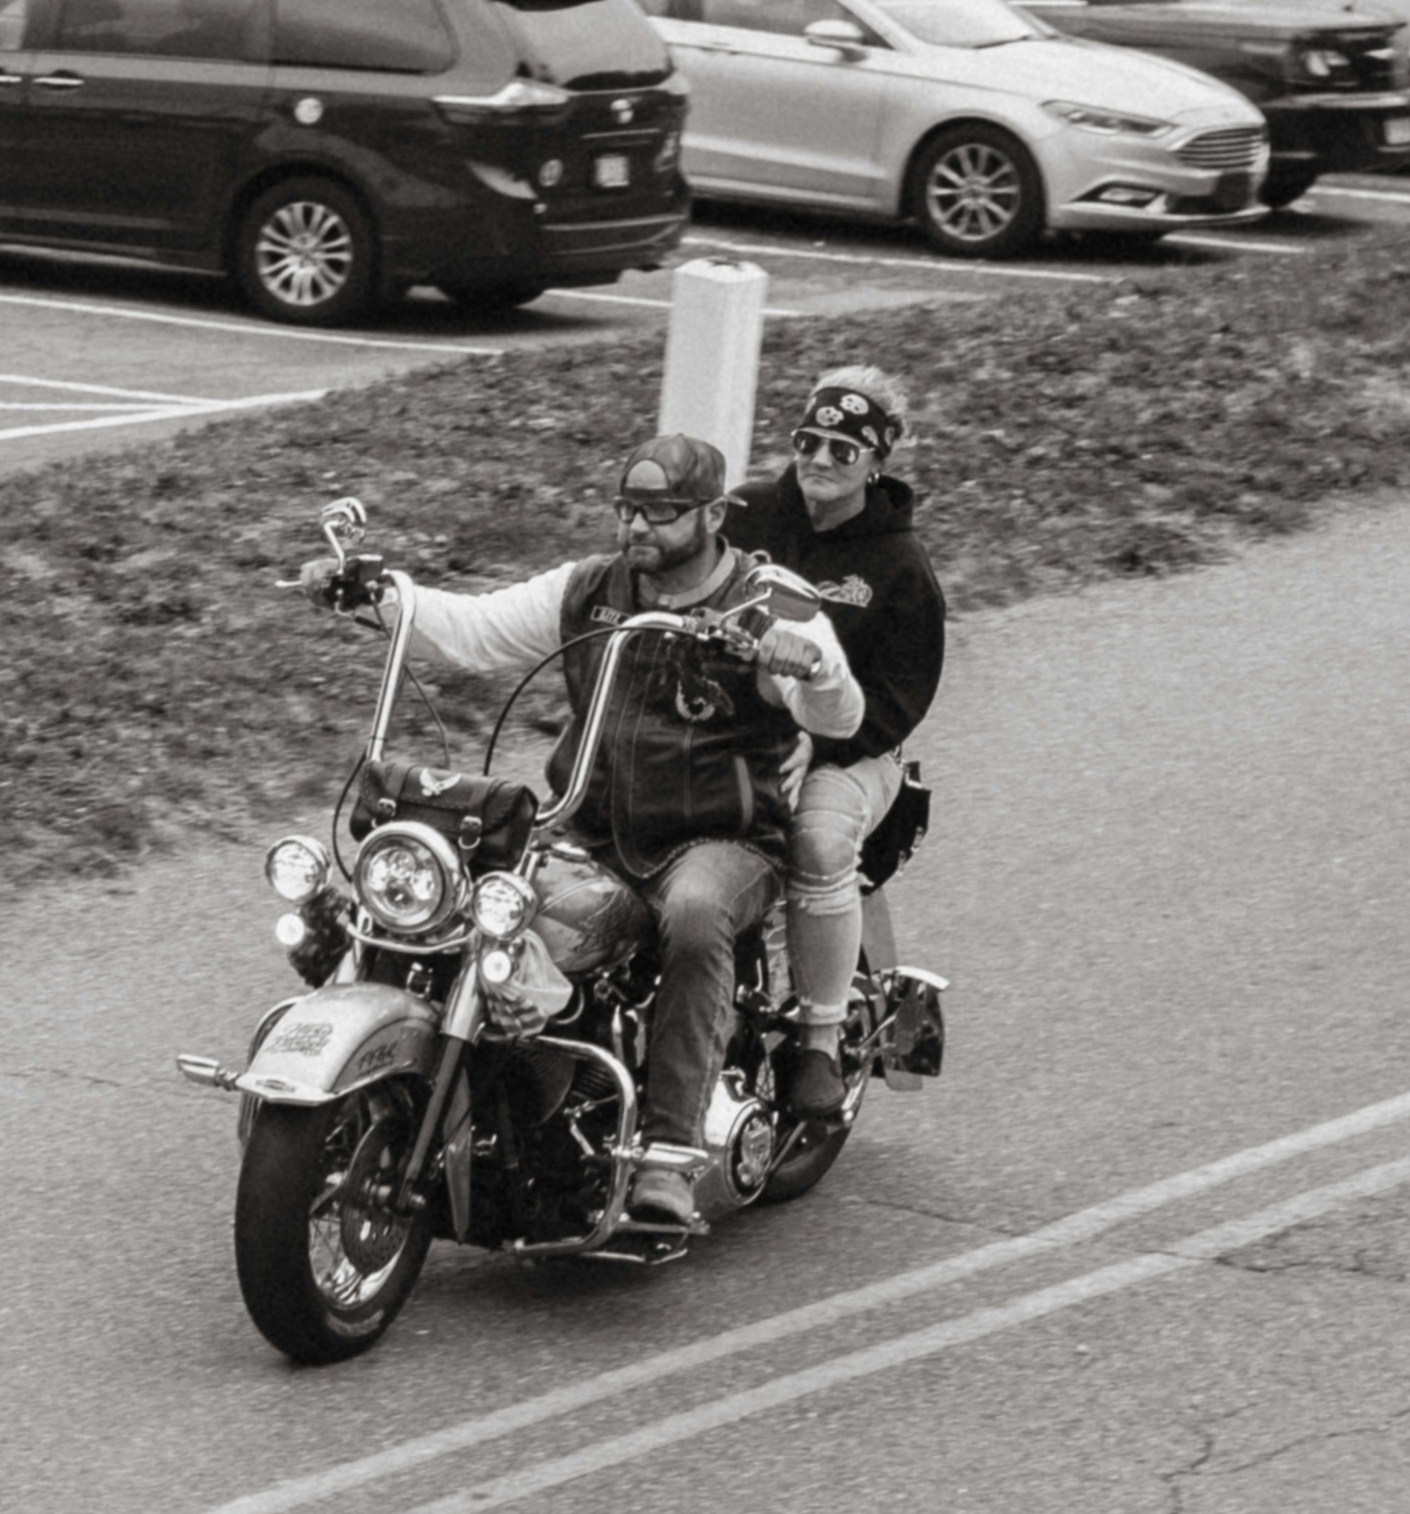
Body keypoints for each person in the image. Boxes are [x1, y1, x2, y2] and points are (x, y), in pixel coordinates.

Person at [323, 432, 868, 1230]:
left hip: (721, 839)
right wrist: (379, 594)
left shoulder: (765, 601)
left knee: (693, 914)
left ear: (714, 515)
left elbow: (840, 714)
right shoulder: (592, 589)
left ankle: (668, 1156)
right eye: (626, 510)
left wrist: (810, 666)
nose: (636, 527)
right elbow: (475, 630)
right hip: (591, 827)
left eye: (660, 512)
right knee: (469, 900)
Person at [718, 360, 947, 1116]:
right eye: (807, 440)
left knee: (814, 841)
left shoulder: (901, 567)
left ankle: (817, 1045)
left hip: (850, 754)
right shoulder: (745, 514)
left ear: (877, 463)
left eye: (842, 450)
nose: (819, 459)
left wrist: (820, 741)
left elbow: (901, 701)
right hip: (729, 724)